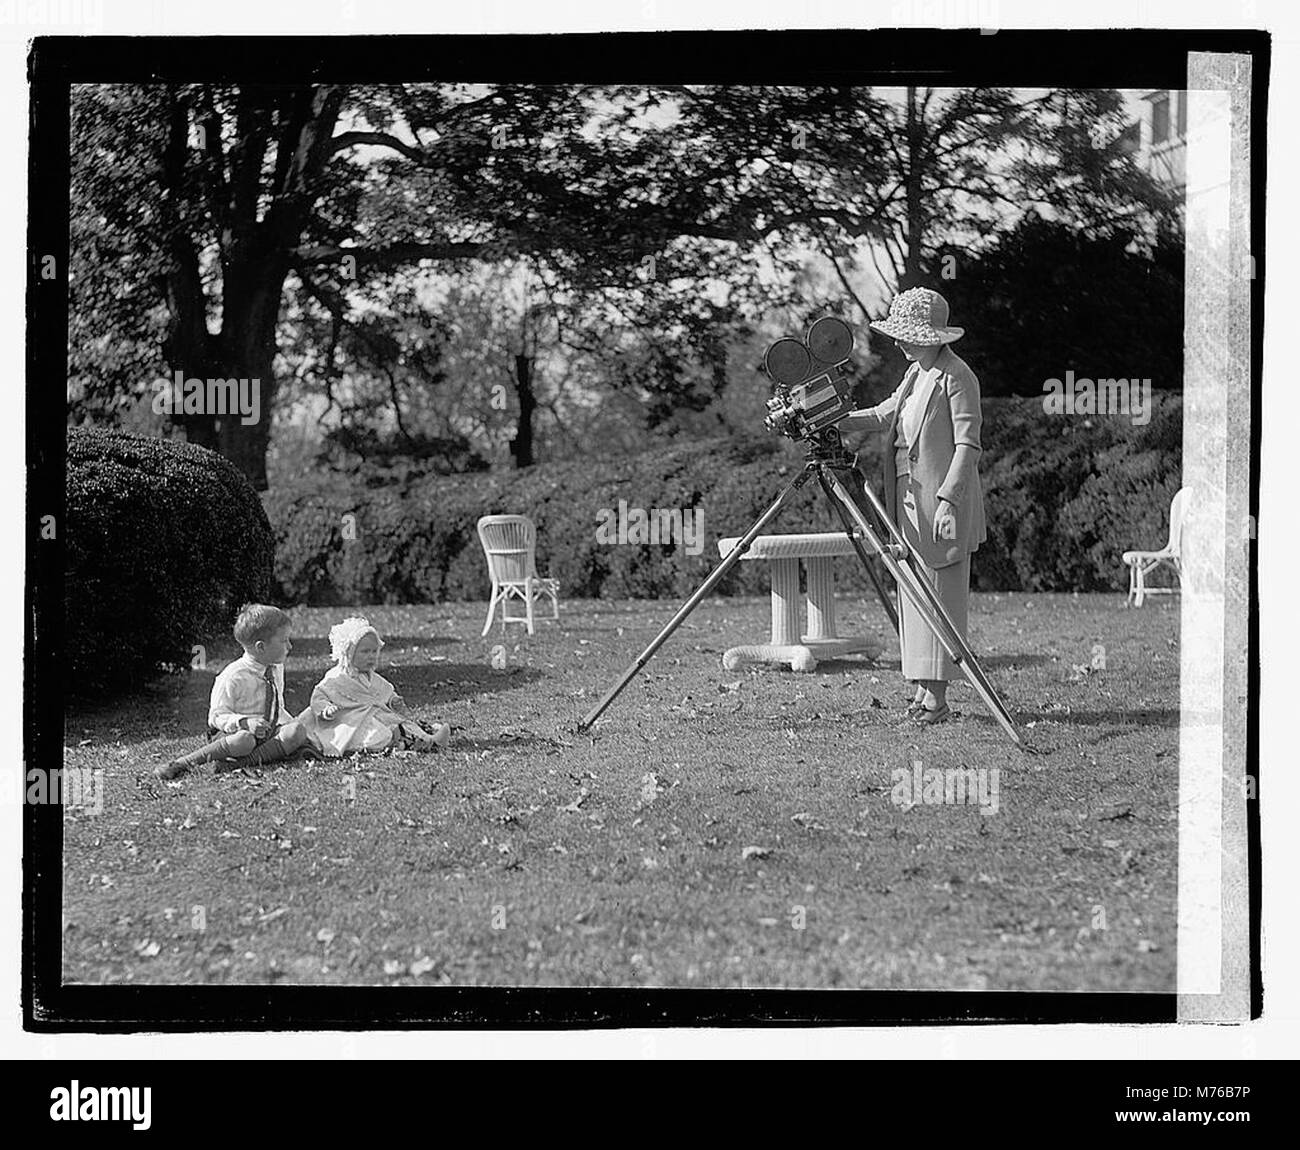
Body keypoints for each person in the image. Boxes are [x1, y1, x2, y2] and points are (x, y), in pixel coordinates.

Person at [839, 287, 987, 725]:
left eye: (907, 335)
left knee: (940, 594)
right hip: (905, 497)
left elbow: (968, 445)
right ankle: (924, 693)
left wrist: (948, 501)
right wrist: (840, 419)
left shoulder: (957, 376)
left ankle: (938, 699)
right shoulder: (917, 373)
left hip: (940, 499)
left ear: (931, 336)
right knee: (914, 590)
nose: (899, 342)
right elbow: (887, 413)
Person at [156, 603, 310, 780]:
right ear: (261, 647)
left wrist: (289, 726)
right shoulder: (233, 676)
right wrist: (245, 723)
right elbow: (216, 717)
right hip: (233, 734)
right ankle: (183, 763)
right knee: (245, 740)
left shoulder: (276, 668)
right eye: (284, 641)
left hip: (266, 731)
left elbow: (277, 706)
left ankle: (237, 764)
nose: (290, 646)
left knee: (297, 731)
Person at [301, 616, 450, 757]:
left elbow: (384, 691)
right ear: (348, 653)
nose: (371, 656)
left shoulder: (372, 677)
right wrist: (326, 709)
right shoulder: (336, 678)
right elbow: (319, 695)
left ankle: (429, 740)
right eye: (365, 652)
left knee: (400, 723)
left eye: (374, 651)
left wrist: (393, 700)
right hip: (350, 721)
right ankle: (399, 743)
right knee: (379, 735)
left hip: (374, 715)